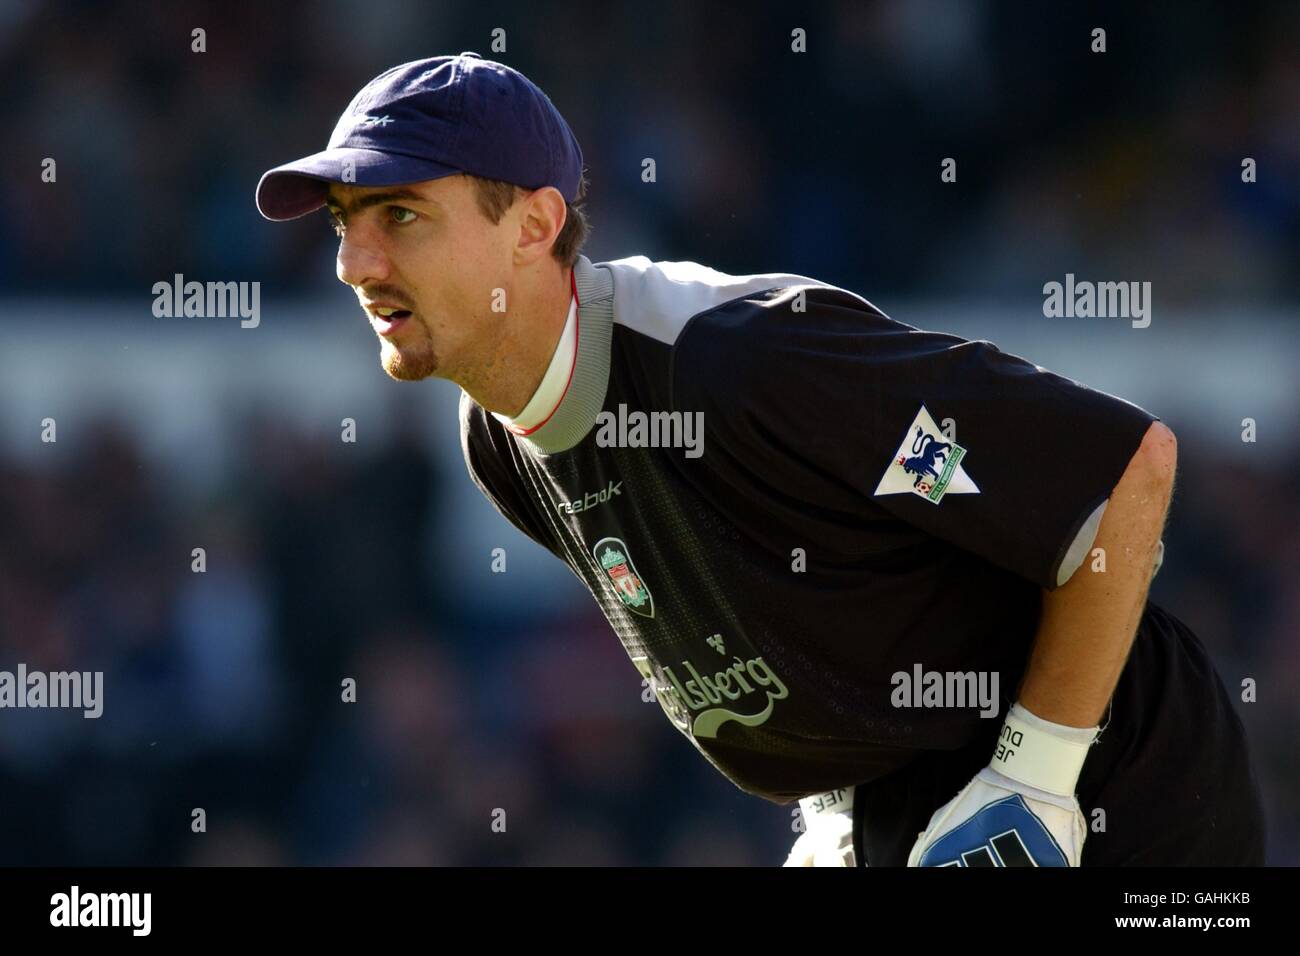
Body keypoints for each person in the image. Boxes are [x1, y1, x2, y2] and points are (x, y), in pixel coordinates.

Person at [255, 53, 1266, 866]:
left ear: (535, 225)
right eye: (347, 227)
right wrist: (836, 805)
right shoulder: (500, 444)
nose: (353, 264)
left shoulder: (742, 361)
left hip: (1116, 782)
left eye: (400, 217)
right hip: (903, 799)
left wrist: (1034, 776)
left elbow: (1121, 472)